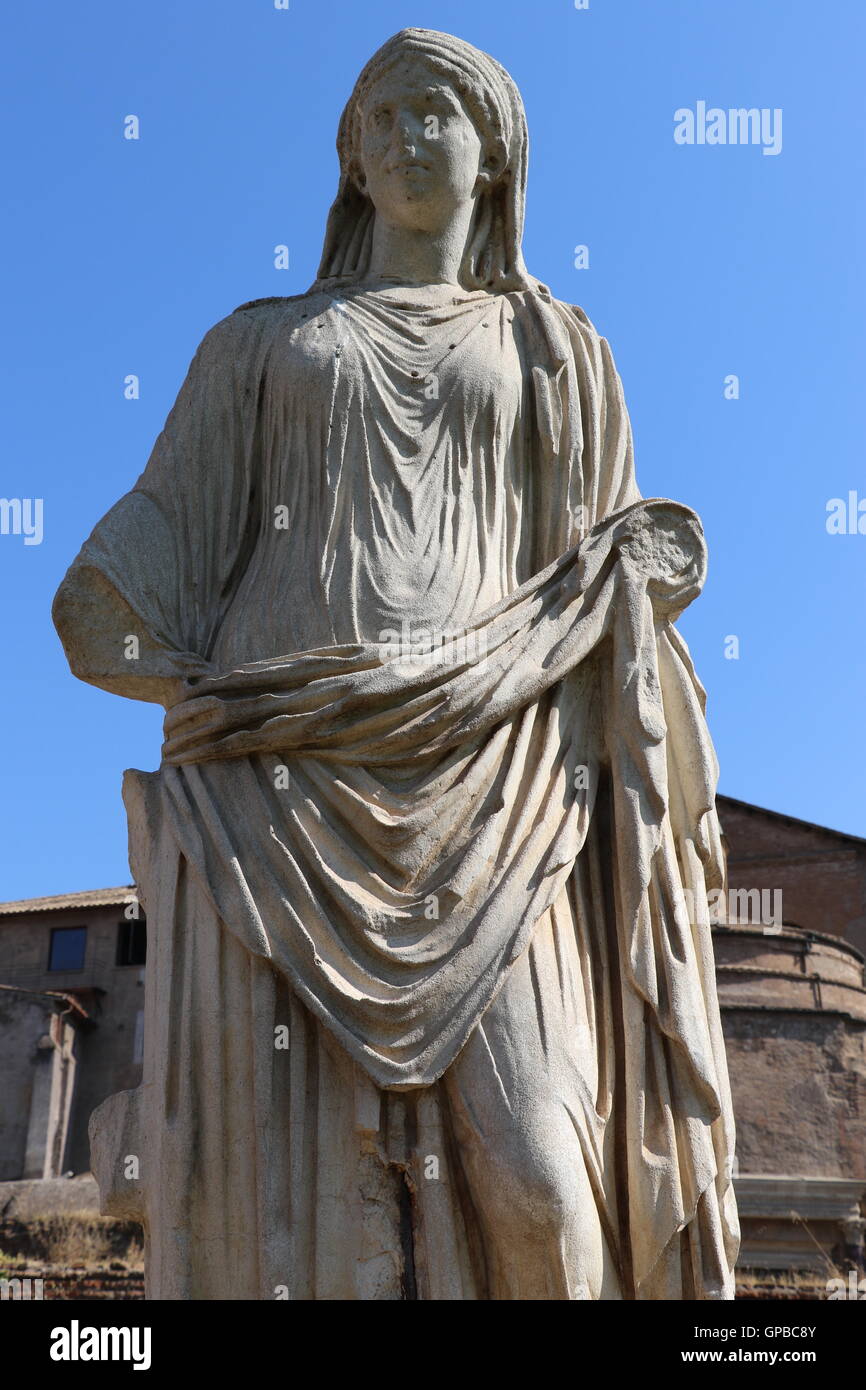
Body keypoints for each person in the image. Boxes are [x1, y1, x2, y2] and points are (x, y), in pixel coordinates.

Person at [53, 28, 739, 1300]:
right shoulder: (259, 345)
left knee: (540, 1169)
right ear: (351, 163)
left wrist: (643, 578)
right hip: (275, 783)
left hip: (503, 777)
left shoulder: (558, 350)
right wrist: (179, 685)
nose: (408, 135)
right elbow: (115, 581)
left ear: (494, 158)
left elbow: (609, 572)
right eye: (380, 118)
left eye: (438, 113)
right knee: (273, 1200)